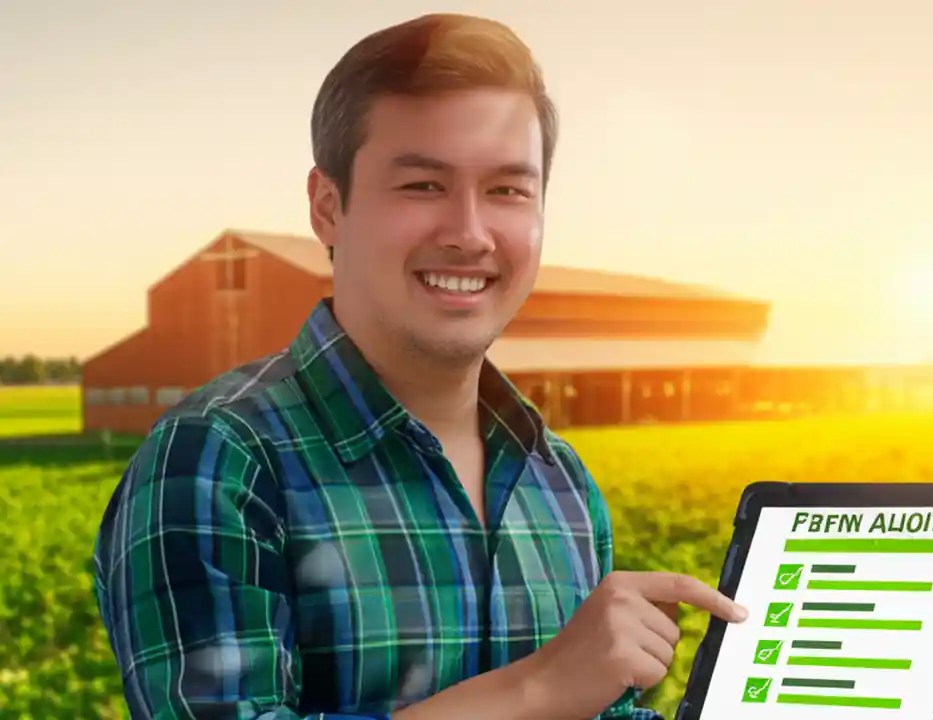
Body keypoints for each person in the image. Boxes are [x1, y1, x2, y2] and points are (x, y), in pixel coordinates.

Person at [92, 12, 747, 720]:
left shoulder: (557, 480)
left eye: (507, 191)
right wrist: (535, 688)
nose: (469, 234)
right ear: (327, 207)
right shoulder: (219, 457)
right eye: (423, 187)